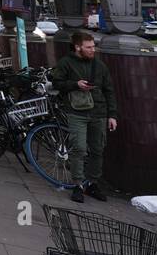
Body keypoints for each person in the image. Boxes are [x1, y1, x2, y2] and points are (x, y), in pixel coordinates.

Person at [50, 31, 118, 203]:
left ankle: (92, 184)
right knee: (79, 148)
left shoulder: (100, 66)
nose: (92, 50)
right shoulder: (66, 63)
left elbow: (109, 90)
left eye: (93, 47)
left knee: (97, 150)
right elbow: (57, 83)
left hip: (98, 113)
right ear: (77, 47)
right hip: (76, 112)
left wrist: (112, 115)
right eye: (88, 47)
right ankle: (78, 185)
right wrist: (75, 84)